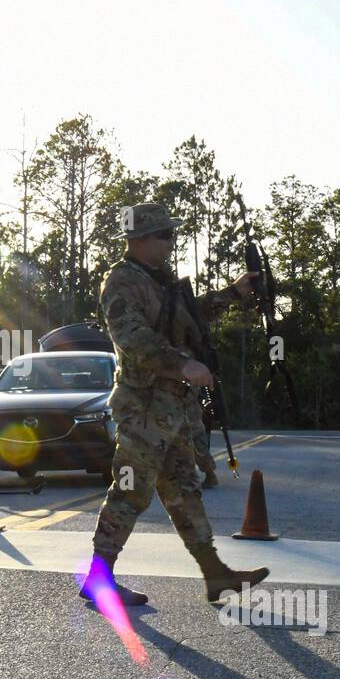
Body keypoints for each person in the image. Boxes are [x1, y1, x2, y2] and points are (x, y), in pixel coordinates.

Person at [87, 202, 269, 605]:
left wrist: (232, 294)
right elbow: (132, 338)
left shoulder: (162, 282)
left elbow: (190, 318)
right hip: (143, 407)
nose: (172, 241)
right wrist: (183, 364)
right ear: (141, 239)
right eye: (165, 235)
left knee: (185, 489)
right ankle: (99, 579)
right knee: (130, 490)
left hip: (174, 410)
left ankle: (215, 574)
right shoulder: (121, 283)